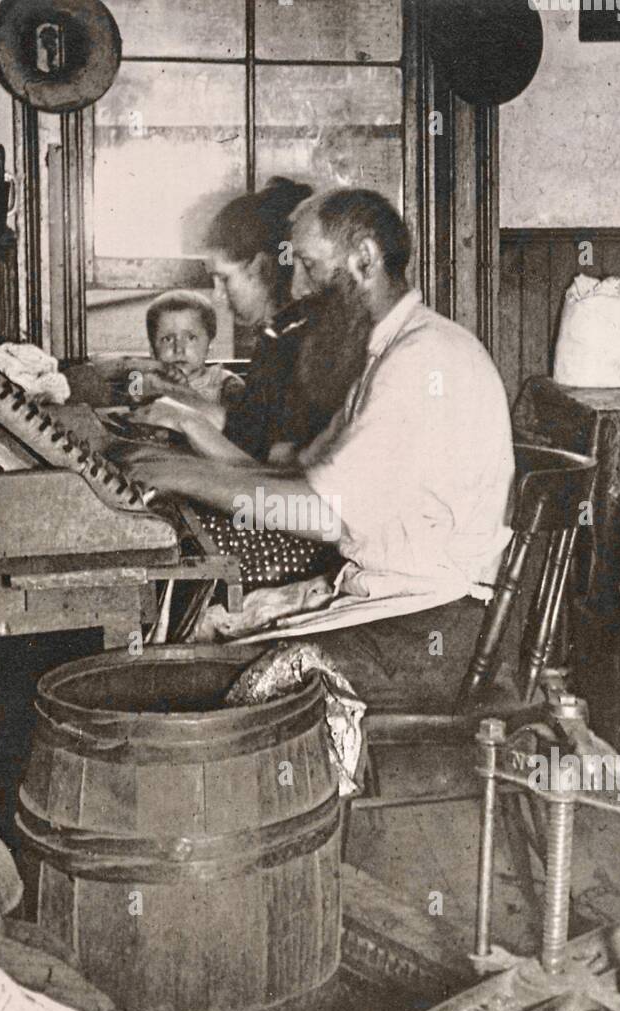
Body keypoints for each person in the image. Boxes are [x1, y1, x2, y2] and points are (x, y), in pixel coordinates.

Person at [126, 188, 514, 709]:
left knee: (221, 686)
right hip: (400, 604)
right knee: (197, 646)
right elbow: (302, 479)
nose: (300, 286)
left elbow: (323, 512)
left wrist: (181, 476)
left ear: (365, 259)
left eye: (309, 265)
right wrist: (178, 462)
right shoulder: (389, 351)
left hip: (432, 628)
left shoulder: (424, 361)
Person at [133, 177, 361, 466]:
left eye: (224, 278)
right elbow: (248, 433)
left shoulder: (300, 341)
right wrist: (173, 395)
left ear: (258, 266)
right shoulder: (275, 335)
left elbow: (278, 467)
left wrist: (188, 422)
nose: (218, 295)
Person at [137, 289, 243, 406]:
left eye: (191, 338)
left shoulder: (226, 385)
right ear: (152, 349)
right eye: (167, 339)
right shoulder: (146, 385)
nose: (178, 349)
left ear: (209, 344)